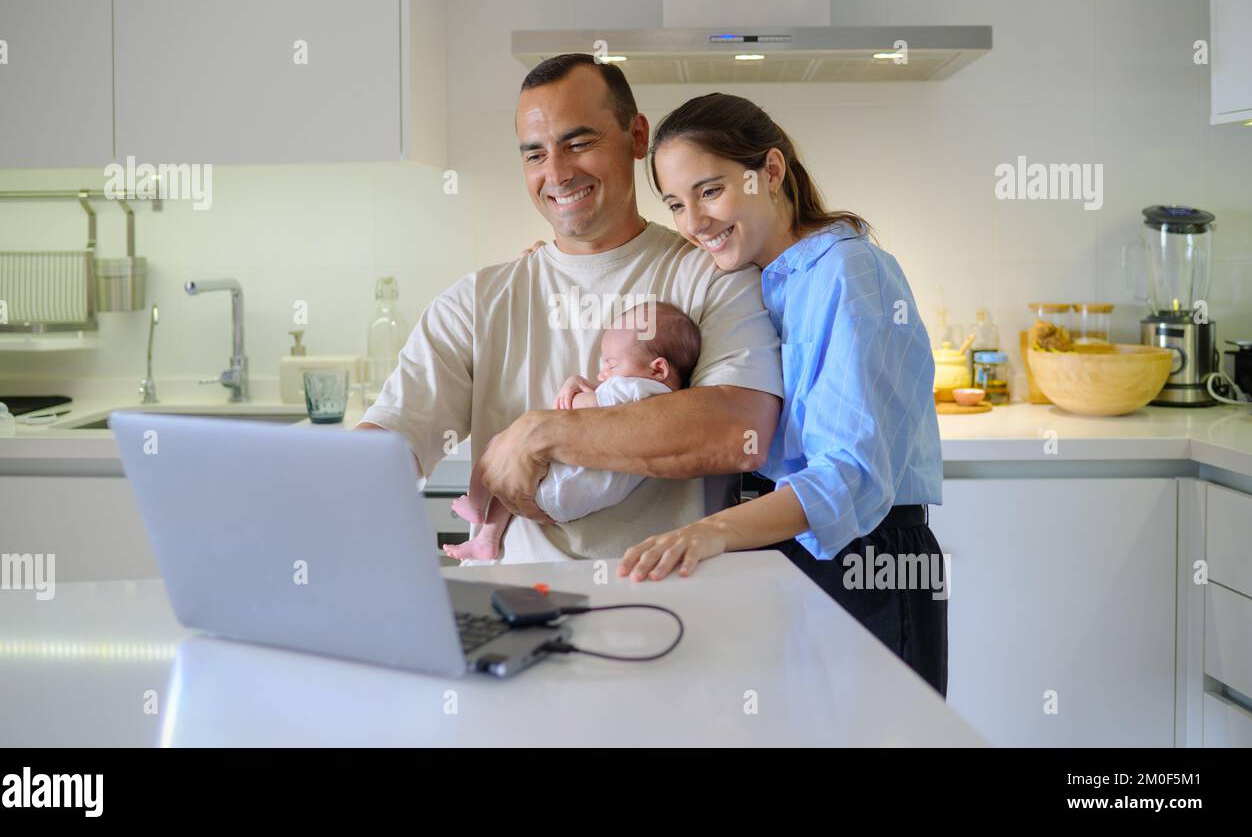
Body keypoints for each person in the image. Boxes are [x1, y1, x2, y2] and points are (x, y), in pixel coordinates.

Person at [357, 55, 783, 563]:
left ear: (637, 135)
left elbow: (740, 431)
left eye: (579, 143)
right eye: (534, 154)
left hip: (672, 606)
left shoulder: (713, 274)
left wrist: (544, 433)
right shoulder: (475, 302)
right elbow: (390, 444)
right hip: (518, 612)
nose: (556, 173)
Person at [616, 93, 948, 694]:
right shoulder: (754, 281)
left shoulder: (851, 272)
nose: (692, 223)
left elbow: (851, 472)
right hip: (786, 548)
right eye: (675, 204)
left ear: (770, 171)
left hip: (866, 561)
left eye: (709, 191)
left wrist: (710, 532)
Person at [443, 301, 701, 560]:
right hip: (580, 497)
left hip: (562, 485)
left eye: (611, 365)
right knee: (510, 480)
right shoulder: (670, 402)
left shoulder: (635, 388)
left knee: (499, 449)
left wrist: (573, 387)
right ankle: (487, 541)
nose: (602, 375)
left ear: (658, 368)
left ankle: (476, 506)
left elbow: (575, 408)